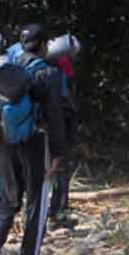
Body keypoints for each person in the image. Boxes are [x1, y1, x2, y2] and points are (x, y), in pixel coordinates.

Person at [0, 23, 67, 255]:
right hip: (36, 144)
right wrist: (58, 154)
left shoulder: (5, 68)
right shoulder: (48, 74)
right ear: (42, 45)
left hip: (6, 142)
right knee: (37, 203)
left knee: (6, 196)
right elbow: (55, 117)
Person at [47, 53, 76, 226]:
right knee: (61, 168)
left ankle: (35, 214)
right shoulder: (61, 59)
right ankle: (58, 212)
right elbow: (69, 81)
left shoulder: (22, 60)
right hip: (59, 119)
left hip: (34, 125)